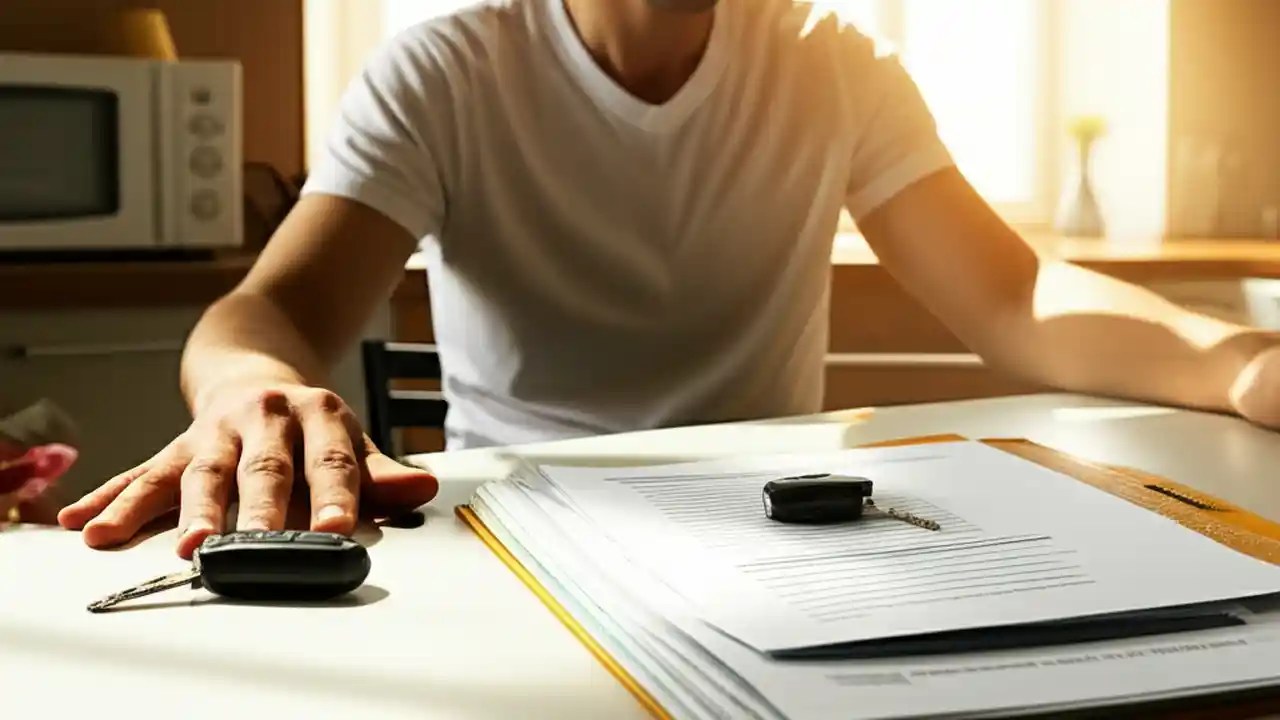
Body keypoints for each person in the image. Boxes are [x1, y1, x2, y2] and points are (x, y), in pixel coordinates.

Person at [58, 0, 1280, 558]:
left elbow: (1012, 302)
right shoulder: (446, 69)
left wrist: (1239, 364)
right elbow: (268, 313)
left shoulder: (832, 61)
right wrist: (245, 387)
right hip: (523, 539)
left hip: (792, 534)